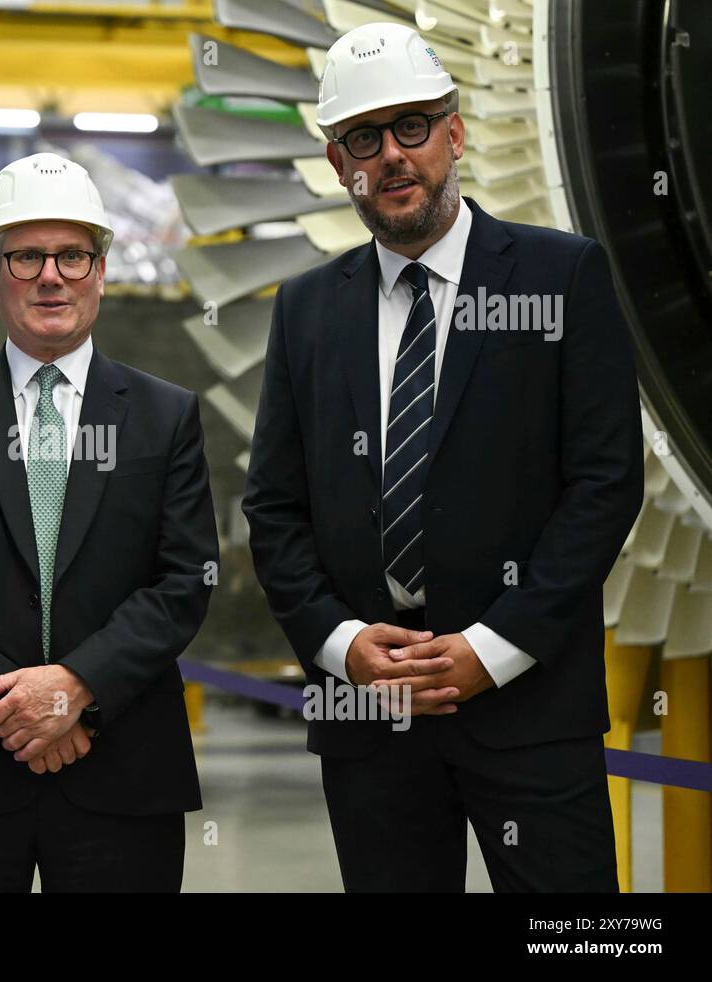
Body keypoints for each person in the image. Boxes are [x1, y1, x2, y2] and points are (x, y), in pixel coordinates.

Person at [242, 23, 644, 891]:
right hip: (369, 713)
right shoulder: (308, 309)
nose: (390, 156)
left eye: (412, 128)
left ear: (454, 134)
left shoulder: (560, 277)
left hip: (528, 705)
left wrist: (492, 647)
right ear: (337, 158)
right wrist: (343, 645)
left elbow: (606, 485)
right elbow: (274, 509)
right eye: (364, 138)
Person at [0, 152, 218, 892]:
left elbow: (184, 580)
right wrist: (18, 710)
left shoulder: (165, 416)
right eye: (26, 256)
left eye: (72, 254)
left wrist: (74, 689)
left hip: (123, 776)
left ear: (100, 269)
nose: (51, 275)